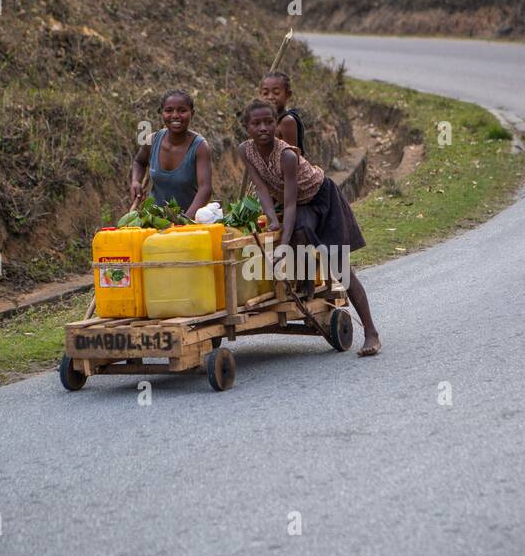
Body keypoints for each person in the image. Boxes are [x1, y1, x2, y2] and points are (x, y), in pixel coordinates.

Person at [239, 99, 381, 357]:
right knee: (298, 232)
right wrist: (272, 219)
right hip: (297, 205)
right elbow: (261, 187)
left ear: (276, 124)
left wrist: (282, 243)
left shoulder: (287, 155)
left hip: (321, 199)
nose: (263, 128)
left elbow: (291, 203)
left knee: (340, 267)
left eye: (269, 122)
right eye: (256, 123)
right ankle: (305, 278)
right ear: (246, 127)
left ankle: (371, 332)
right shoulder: (245, 151)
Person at [130, 89, 213, 217]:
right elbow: (139, 162)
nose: (175, 115)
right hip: (155, 222)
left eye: (182, 110)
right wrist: (135, 181)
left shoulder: (200, 147)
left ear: (192, 113)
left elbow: (205, 189)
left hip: (189, 223)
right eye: (169, 110)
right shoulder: (152, 141)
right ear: (161, 113)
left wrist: (185, 221)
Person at [260, 70, 306, 156]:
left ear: (288, 94)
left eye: (276, 93)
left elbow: (291, 160)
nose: (270, 97)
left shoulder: (287, 121)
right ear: (260, 94)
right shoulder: (262, 122)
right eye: (265, 93)